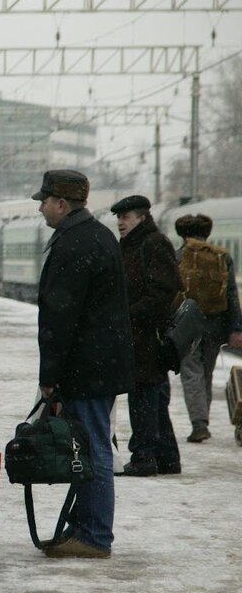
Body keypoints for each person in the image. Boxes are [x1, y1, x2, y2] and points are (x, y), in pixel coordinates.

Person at [33, 170, 133, 559]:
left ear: (62, 203)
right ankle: (84, 527)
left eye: (44, 200)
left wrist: (49, 376)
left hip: (87, 368)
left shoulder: (75, 243)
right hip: (98, 364)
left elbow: (60, 318)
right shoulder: (97, 236)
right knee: (88, 446)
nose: (40, 207)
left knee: (91, 449)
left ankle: (94, 536)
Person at [112, 195, 181, 476]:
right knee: (151, 395)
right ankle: (166, 457)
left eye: (125, 217)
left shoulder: (153, 243)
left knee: (144, 395)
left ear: (141, 217)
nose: (120, 222)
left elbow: (165, 291)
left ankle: (144, 457)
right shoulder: (131, 245)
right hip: (138, 334)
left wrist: (132, 314)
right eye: (118, 217)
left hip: (148, 336)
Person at [172, 213, 242, 442]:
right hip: (215, 322)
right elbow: (231, 293)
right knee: (206, 374)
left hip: (187, 323)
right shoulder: (222, 257)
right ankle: (203, 419)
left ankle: (199, 423)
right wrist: (236, 327)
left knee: (191, 372)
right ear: (208, 233)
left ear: (182, 234)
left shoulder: (179, 255)